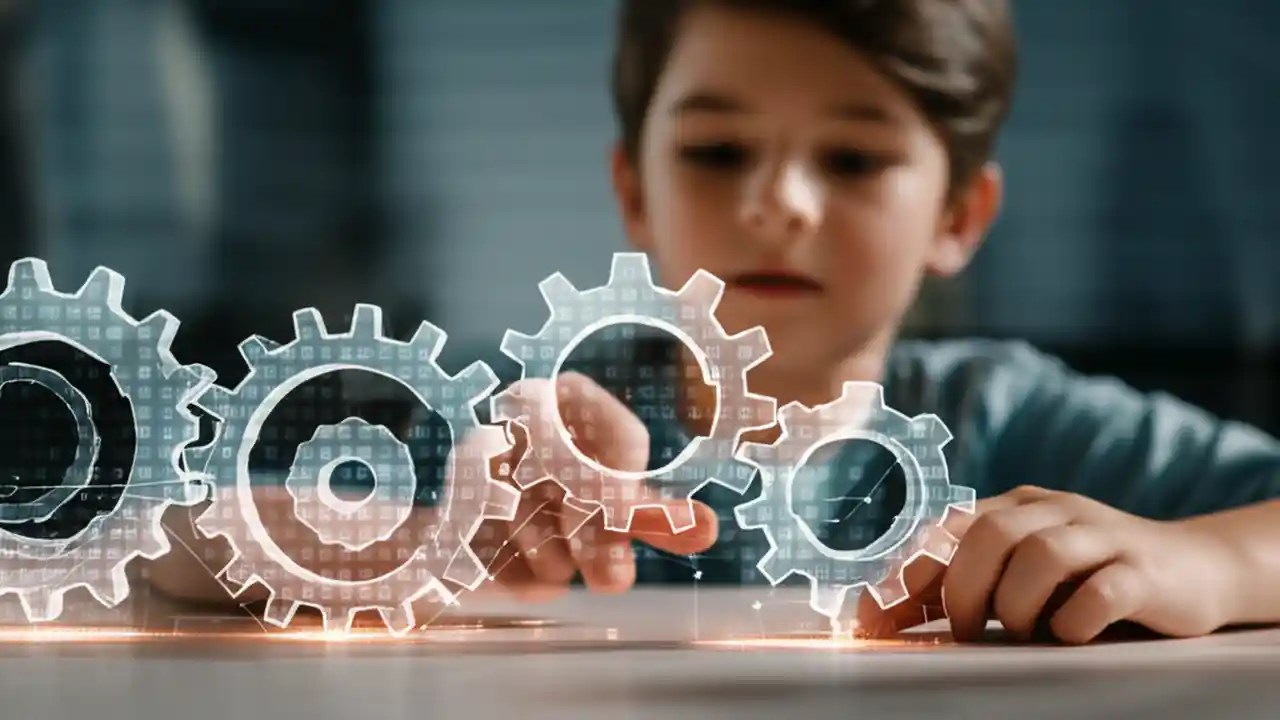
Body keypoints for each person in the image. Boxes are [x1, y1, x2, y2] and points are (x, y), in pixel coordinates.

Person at [152, 0, 1280, 645]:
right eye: (717, 150)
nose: (777, 203)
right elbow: (160, 544)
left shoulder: (1008, 417)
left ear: (957, 213)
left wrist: (1204, 565)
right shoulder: (515, 434)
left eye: (851, 156)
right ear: (632, 190)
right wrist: (391, 542)